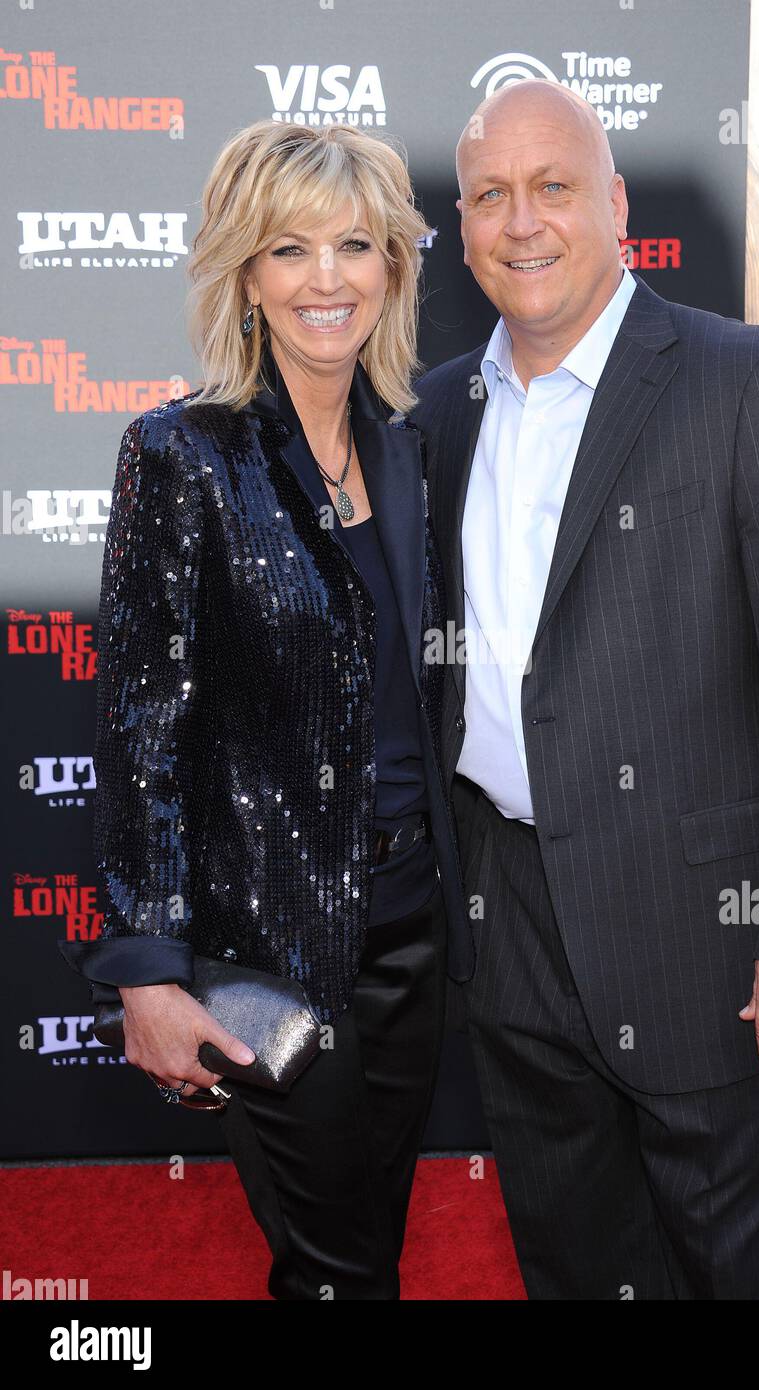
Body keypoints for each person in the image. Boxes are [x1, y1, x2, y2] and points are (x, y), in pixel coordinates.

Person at [410, 79, 759, 1300]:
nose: (522, 222)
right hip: (512, 919)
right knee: (574, 1262)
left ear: (615, 204)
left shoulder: (748, 381)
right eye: (489, 196)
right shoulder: (435, 415)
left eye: (553, 187)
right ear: (460, 226)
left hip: (713, 942)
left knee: (742, 1275)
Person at [59, 119, 475, 1301]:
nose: (327, 279)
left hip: (411, 930)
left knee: (363, 1250)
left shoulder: (411, 451)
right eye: (290, 249)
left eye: (355, 245)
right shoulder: (183, 453)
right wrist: (146, 971)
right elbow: (142, 731)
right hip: (266, 951)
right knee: (337, 1266)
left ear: (393, 265)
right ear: (244, 272)